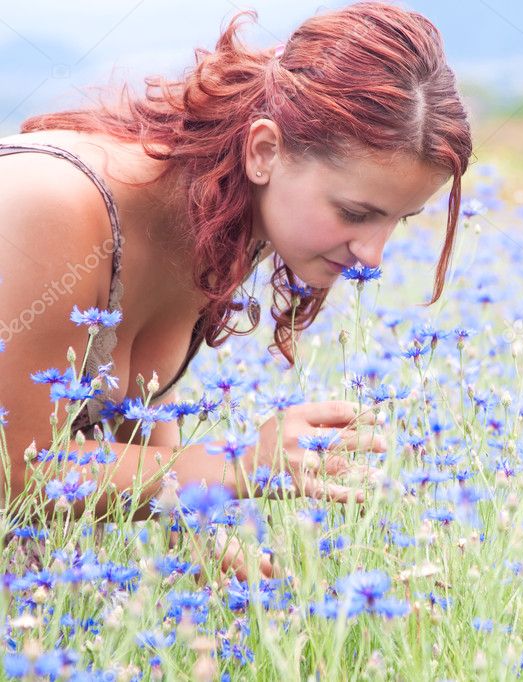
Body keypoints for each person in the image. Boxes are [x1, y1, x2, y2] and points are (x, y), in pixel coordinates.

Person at [0, 2, 473, 577]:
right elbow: (16, 470)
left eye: (400, 220)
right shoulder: (52, 204)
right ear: (264, 151)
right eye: (354, 213)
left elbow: (141, 433)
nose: (372, 256)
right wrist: (243, 465)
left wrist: (195, 539)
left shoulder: (223, 219)